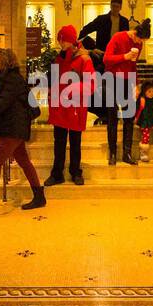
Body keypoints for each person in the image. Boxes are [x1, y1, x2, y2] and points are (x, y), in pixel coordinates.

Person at [0, 48, 45, 216]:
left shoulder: (11, 80)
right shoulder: (11, 79)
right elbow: (0, 104)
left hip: (13, 128)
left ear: (4, 62)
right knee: (24, 161)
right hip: (16, 127)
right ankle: (39, 196)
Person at [44, 25, 92, 187]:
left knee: (75, 141)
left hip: (75, 106)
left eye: (63, 40)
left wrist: (71, 90)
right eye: (60, 40)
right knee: (59, 141)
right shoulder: (59, 58)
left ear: (71, 40)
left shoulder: (84, 59)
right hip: (60, 107)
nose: (61, 43)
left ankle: (75, 171)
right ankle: (57, 173)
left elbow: (90, 85)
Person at [103, 17, 150, 166]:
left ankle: (127, 153)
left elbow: (133, 66)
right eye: (140, 40)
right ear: (135, 34)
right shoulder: (118, 37)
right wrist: (125, 56)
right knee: (112, 118)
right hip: (112, 80)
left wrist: (136, 85)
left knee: (129, 118)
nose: (140, 44)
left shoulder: (139, 44)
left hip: (128, 81)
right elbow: (106, 59)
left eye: (142, 42)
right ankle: (112, 153)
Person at [79, 0, 128, 126]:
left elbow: (126, 40)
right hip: (102, 56)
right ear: (110, 6)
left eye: (117, 6)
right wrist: (88, 48)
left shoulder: (124, 22)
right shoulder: (102, 19)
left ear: (120, 7)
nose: (115, 9)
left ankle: (111, 112)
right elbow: (85, 29)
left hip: (116, 58)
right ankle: (105, 112)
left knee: (116, 85)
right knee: (102, 84)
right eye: (113, 6)